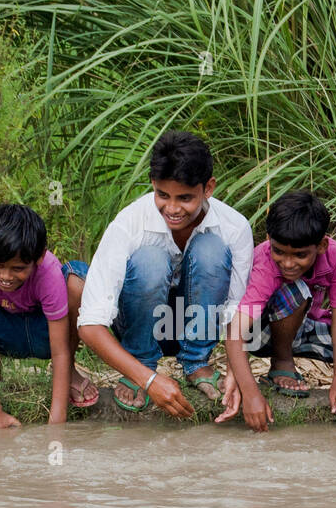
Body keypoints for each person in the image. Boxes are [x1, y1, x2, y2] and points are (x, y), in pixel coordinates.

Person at [77, 130, 254, 414]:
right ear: (153, 184)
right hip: (138, 324)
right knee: (150, 258)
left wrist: (238, 370)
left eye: (184, 198)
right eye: (162, 195)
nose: (172, 209)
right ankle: (140, 363)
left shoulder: (235, 227)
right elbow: (89, 323)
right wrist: (148, 379)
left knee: (211, 250)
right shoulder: (128, 223)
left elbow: (239, 310)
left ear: (208, 188)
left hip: (196, 322)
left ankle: (197, 362)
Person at [214, 190, 336, 431]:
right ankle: (282, 362)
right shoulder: (264, 261)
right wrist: (251, 394)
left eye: (300, 255)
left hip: (305, 326)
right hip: (258, 333)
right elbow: (235, 333)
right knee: (296, 289)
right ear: (269, 240)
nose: (288, 263)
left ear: (321, 246)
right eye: (280, 251)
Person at [0, 203, 95, 428]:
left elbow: (59, 352)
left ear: (38, 258)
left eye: (18, 268)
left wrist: (56, 425)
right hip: (2, 331)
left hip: (45, 335)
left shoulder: (48, 272)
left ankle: (69, 372)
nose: (5, 276)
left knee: (78, 283)